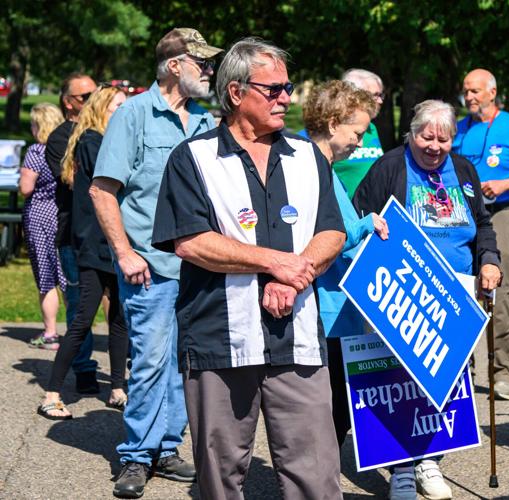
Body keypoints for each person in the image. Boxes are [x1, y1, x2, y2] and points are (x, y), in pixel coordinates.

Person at [151, 37, 345, 500]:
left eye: (288, 87)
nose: (286, 97)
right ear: (236, 93)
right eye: (273, 89)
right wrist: (277, 263)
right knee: (220, 476)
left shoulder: (306, 156)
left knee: (316, 474)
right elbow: (192, 241)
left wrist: (294, 275)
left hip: (297, 340)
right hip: (221, 338)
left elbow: (332, 232)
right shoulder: (193, 158)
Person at [91, 28, 221, 498]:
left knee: (184, 365)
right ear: (174, 66)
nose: (208, 71)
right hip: (150, 267)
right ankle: (136, 455)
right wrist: (124, 253)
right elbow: (102, 190)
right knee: (148, 362)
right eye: (201, 63)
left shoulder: (205, 123)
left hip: (198, 268)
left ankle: (167, 446)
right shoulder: (134, 115)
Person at [356, 99, 502, 500]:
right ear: (411, 134)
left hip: (457, 292)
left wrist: (489, 260)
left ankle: (430, 460)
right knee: (401, 381)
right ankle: (401, 468)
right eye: (426, 136)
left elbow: (484, 225)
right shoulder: (389, 166)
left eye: (444, 138)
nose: (435, 146)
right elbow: (360, 217)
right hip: (405, 288)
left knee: (447, 382)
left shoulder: (465, 171)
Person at [300, 79, 390, 448]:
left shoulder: (321, 165)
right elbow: (326, 235)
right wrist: (367, 226)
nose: (360, 140)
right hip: (326, 309)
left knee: (336, 408)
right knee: (331, 408)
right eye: (357, 131)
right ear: (334, 123)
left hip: (337, 307)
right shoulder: (312, 166)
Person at [37, 86, 129, 420]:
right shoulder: (93, 141)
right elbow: (116, 183)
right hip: (94, 243)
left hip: (116, 243)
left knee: (119, 319)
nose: (124, 110)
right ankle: (52, 393)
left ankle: (118, 388)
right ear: (103, 108)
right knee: (82, 319)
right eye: (118, 105)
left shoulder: (104, 140)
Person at [452, 68, 509, 400]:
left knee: (498, 292)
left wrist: (504, 184)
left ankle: (503, 374)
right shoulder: (458, 130)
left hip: (502, 212)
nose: (470, 97)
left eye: (475, 91)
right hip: (461, 217)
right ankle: (462, 371)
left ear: (492, 92)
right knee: (460, 290)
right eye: (466, 91)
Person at [41, 73, 99, 392]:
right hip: (75, 233)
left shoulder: (107, 132)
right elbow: (74, 180)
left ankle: (122, 373)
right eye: (85, 96)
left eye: (96, 94)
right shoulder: (61, 137)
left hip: (114, 232)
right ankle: (84, 367)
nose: (92, 101)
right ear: (69, 102)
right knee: (80, 303)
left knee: (123, 304)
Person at [18, 103, 66, 348]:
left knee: (46, 276)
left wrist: (20, 177)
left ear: (40, 125)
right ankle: (79, 334)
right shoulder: (66, 148)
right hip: (62, 213)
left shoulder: (36, 152)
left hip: (39, 214)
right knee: (66, 274)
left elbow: (26, 189)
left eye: (33, 123)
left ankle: (50, 333)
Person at [332, 68, 385, 197]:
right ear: (353, 96)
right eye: (375, 95)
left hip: (369, 213)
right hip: (342, 212)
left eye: (381, 95)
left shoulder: (372, 128)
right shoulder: (333, 129)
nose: (380, 101)